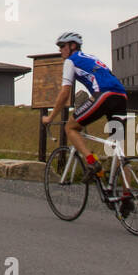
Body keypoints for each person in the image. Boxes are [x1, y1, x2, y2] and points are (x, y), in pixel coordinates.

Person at [42, 31, 131, 185]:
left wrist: (50, 117)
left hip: (104, 94)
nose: (60, 50)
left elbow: (64, 93)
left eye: (62, 46)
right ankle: (126, 195)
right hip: (121, 96)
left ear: (72, 46)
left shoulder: (71, 61)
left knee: (70, 127)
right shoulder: (92, 58)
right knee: (119, 149)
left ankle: (92, 162)